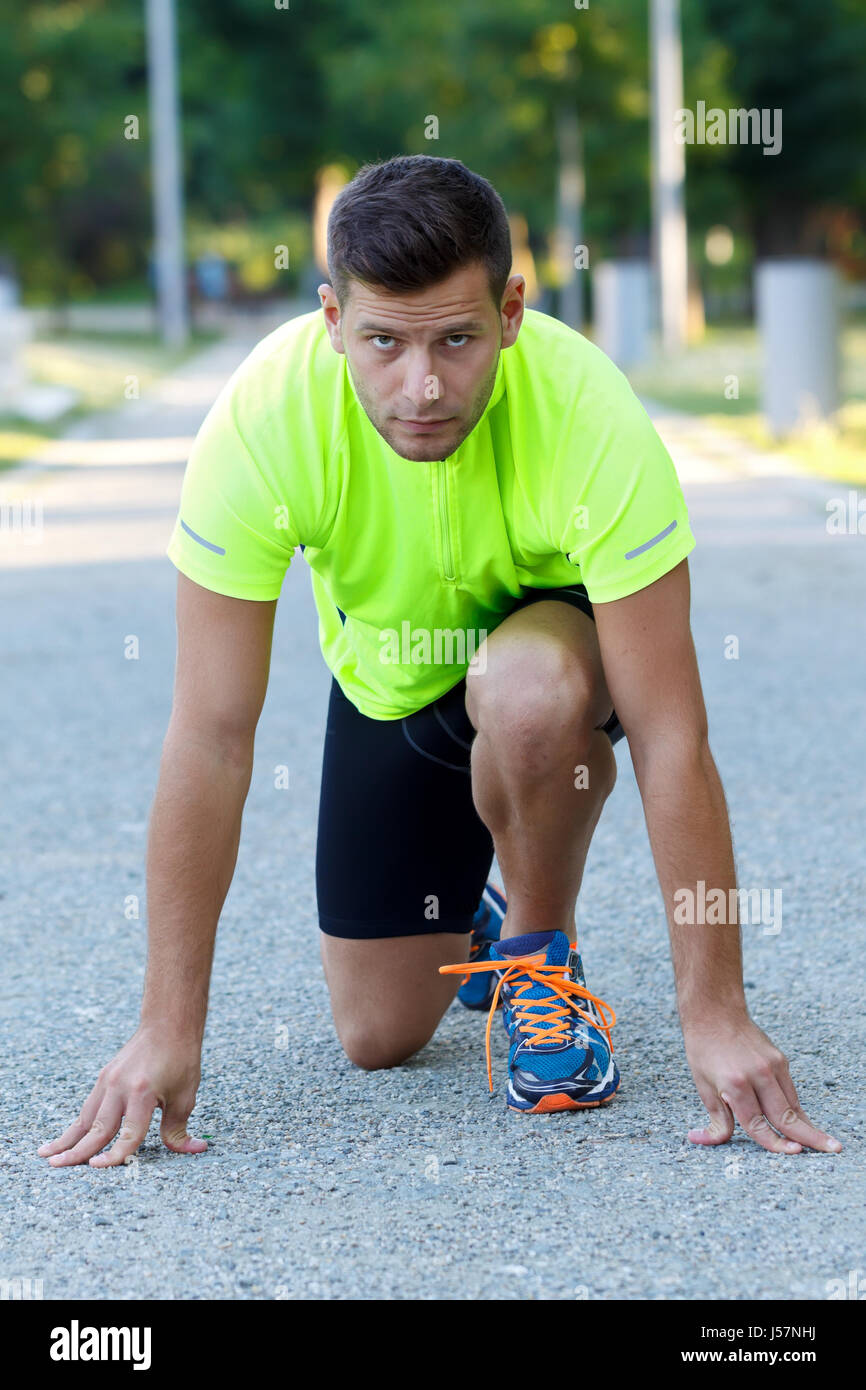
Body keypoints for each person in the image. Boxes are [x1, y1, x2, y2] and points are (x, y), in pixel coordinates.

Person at [39, 155, 840, 1165]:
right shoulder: (265, 419)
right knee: (377, 1034)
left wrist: (715, 1008)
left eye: (456, 339)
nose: (420, 386)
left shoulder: (586, 413)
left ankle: (538, 953)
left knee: (530, 690)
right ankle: (477, 883)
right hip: (396, 689)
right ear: (332, 322)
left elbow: (672, 735)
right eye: (382, 342)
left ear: (510, 309)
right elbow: (207, 736)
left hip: (547, 667)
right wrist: (165, 1027)